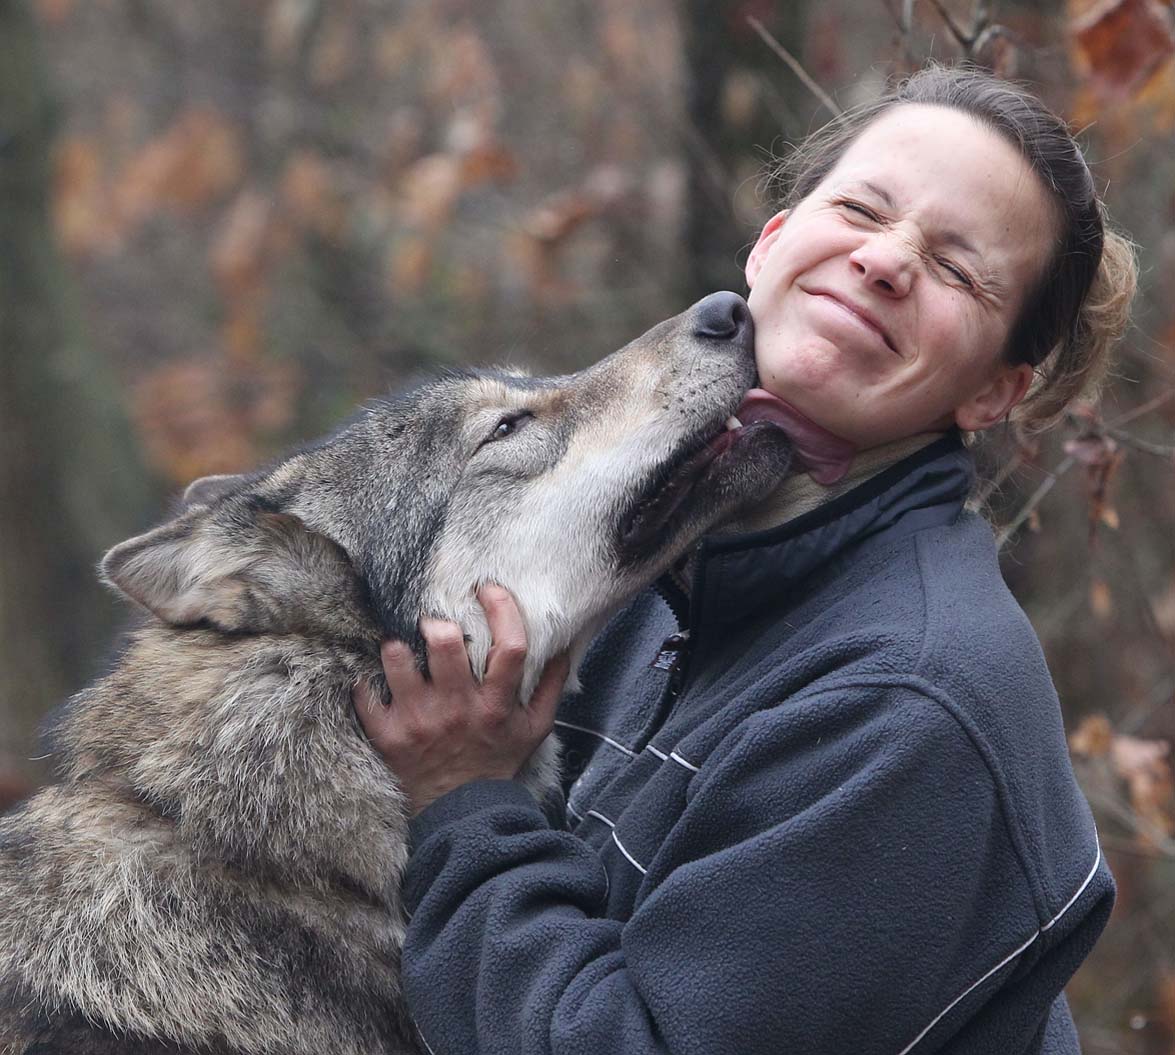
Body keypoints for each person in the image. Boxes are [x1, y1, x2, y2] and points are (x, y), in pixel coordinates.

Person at [354, 64, 1137, 1054]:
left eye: (954, 268)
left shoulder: (906, 698)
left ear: (994, 391)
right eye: (859, 207)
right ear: (772, 241)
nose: (884, 259)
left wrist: (466, 801)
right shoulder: (667, 548)